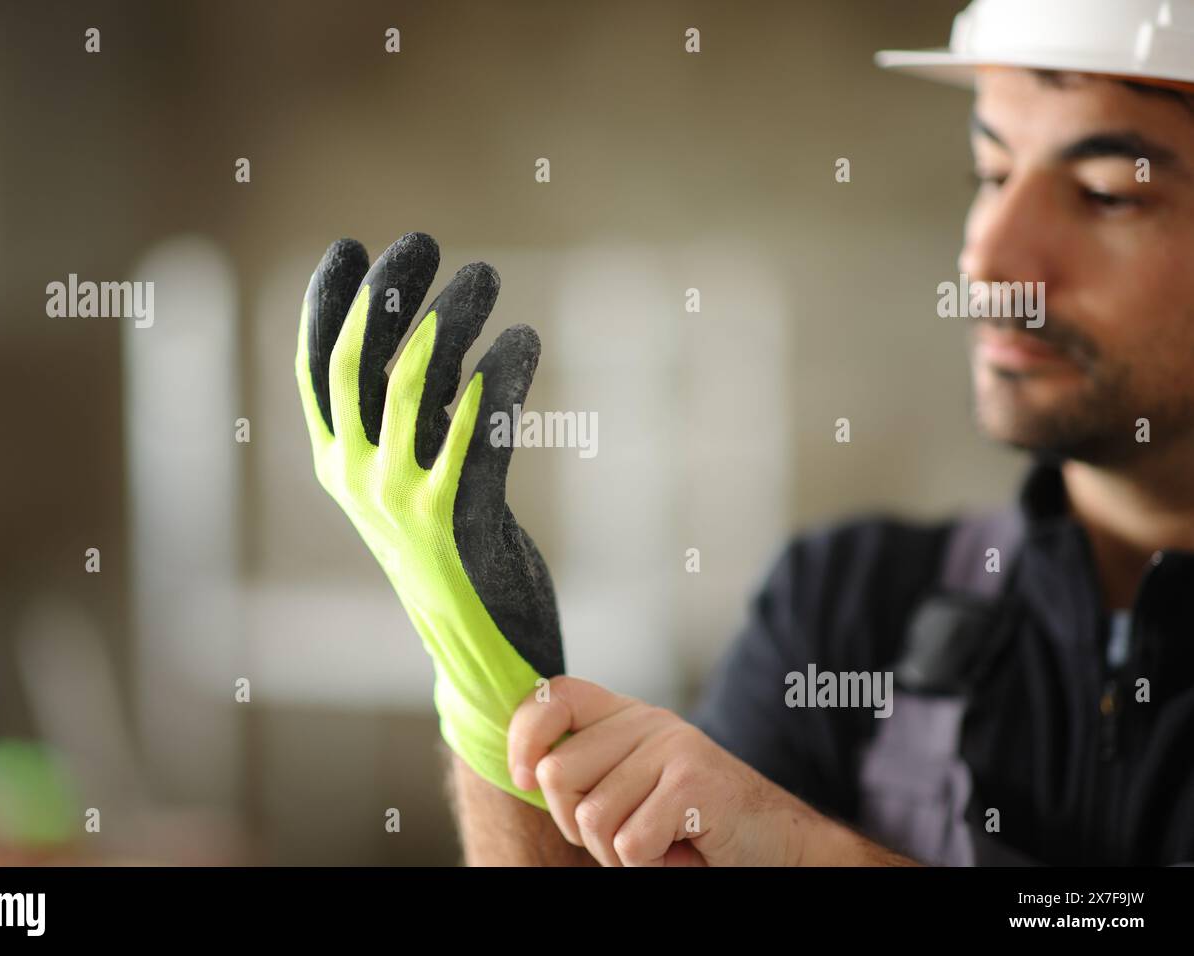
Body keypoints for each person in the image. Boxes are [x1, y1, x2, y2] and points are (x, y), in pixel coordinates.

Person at [299, 0, 1194, 865]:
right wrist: (493, 698)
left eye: (1106, 193)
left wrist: (812, 854)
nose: (989, 256)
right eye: (993, 175)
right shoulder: (843, 610)